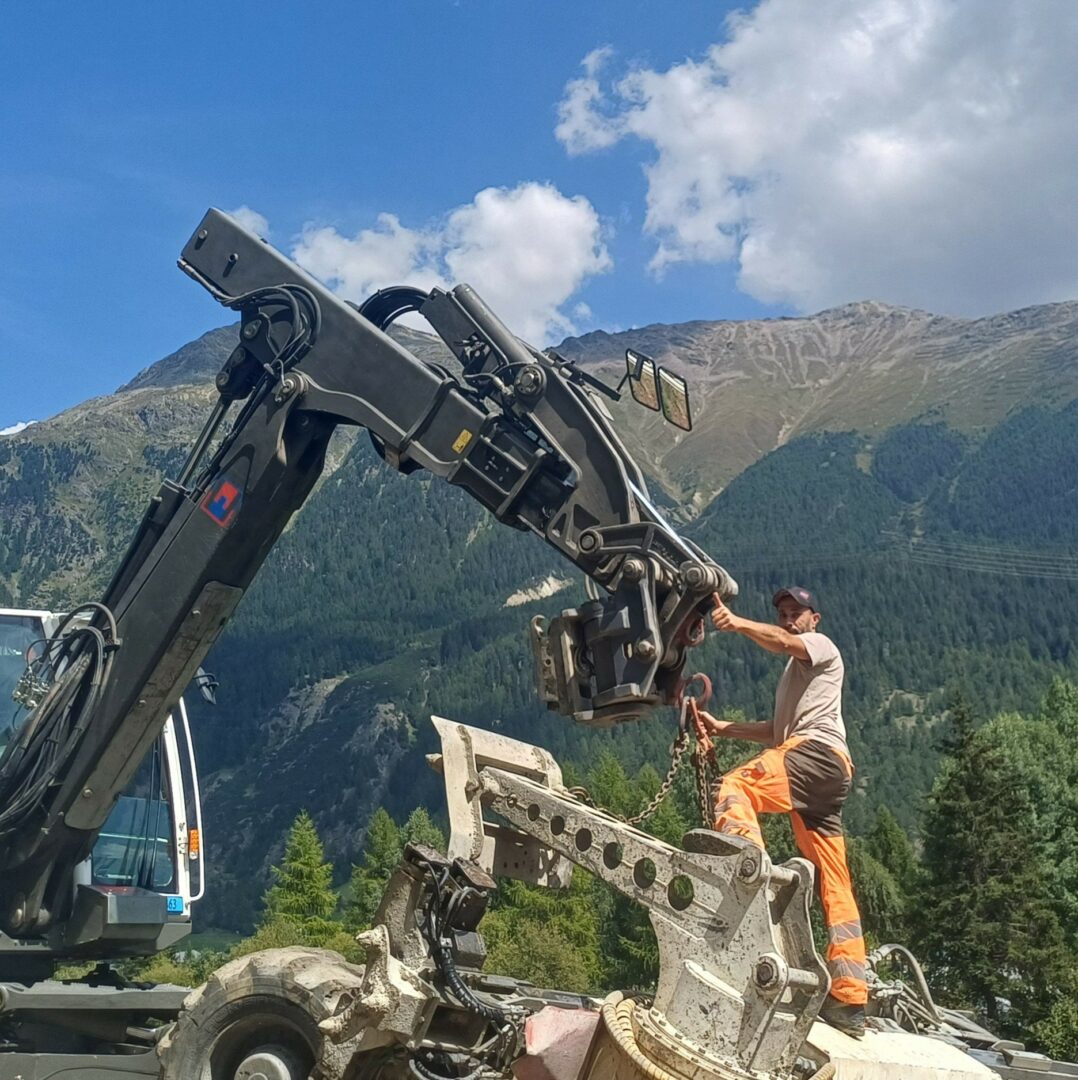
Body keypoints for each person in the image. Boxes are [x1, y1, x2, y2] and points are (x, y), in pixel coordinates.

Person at [701, 585, 867, 1038]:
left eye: (797, 613)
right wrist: (723, 728)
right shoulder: (797, 678)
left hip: (813, 756)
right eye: (783, 612)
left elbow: (784, 643)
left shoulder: (819, 648)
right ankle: (851, 999)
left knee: (735, 786)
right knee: (835, 879)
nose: (789, 619)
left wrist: (736, 624)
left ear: (816, 618)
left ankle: (748, 881)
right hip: (829, 771)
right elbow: (776, 732)